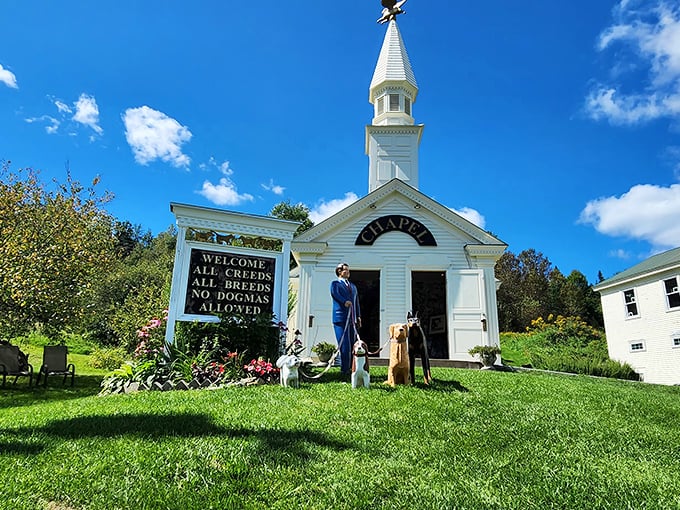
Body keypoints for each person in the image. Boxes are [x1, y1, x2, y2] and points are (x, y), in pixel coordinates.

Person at [330, 263, 362, 376]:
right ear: (339, 271)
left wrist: (358, 316)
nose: (348, 272)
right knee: (344, 345)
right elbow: (335, 295)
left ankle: (352, 368)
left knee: (353, 344)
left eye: (348, 270)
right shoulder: (335, 284)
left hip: (352, 319)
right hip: (340, 319)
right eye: (345, 270)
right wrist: (344, 301)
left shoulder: (353, 286)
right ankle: (344, 370)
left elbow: (356, 301)